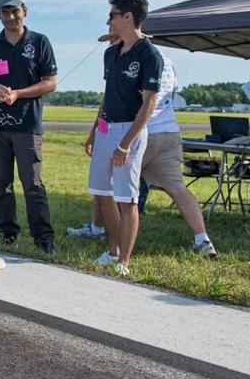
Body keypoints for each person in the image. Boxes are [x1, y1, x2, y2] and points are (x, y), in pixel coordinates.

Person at [70, 42, 217, 257]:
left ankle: (100, 232)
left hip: (136, 132)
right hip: (168, 132)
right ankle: (202, 239)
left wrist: (96, 133)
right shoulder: (167, 61)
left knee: (106, 185)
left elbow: (112, 100)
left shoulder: (135, 59)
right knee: (177, 188)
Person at [84, 0, 163, 276]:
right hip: (106, 127)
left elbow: (149, 103)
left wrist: (126, 144)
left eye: (113, 14)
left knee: (126, 198)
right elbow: (107, 96)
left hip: (128, 131)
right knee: (102, 192)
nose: (109, 20)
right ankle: (112, 250)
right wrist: (94, 132)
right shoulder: (111, 53)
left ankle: (124, 262)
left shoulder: (150, 55)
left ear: (128, 17)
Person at [0, 0, 58, 255]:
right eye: (5, 12)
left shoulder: (40, 42)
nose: (11, 17)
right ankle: (7, 233)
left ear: (25, 11)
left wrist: (18, 94)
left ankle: (43, 238)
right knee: (1, 183)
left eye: (15, 11)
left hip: (27, 126)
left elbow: (51, 83)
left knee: (32, 184)